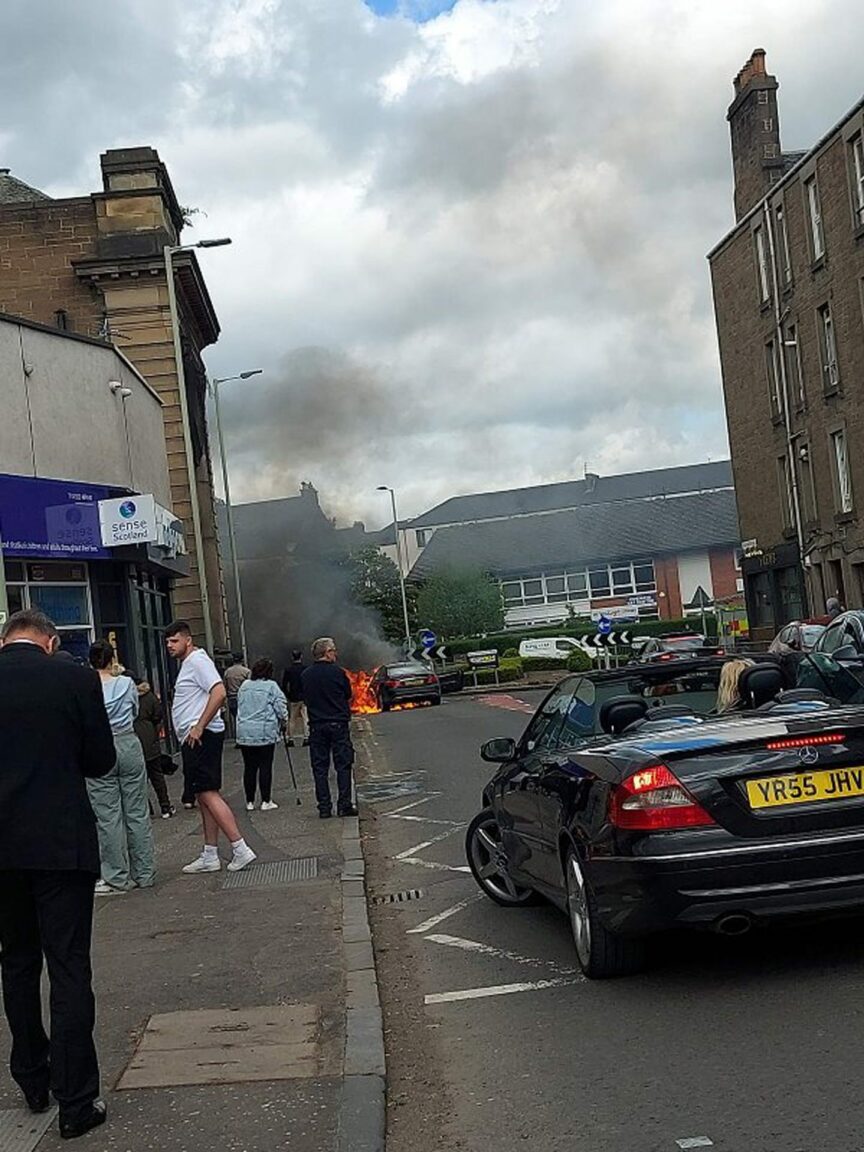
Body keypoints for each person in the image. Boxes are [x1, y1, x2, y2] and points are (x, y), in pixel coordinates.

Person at [0, 609, 115, 1139]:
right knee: (68, 966)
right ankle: (76, 1101)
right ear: (49, 641)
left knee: (17, 963)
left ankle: (31, 1077)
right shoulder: (73, 675)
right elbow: (99, 761)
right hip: (61, 844)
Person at [166, 621, 257, 874]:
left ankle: (240, 848)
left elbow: (218, 693)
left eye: (174, 641)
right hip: (198, 737)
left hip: (200, 737)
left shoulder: (197, 661)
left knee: (207, 793)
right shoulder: (192, 663)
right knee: (203, 793)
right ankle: (210, 854)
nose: (170, 646)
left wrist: (198, 726)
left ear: (188, 640)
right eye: (167, 643)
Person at [87, 641, 156, 895]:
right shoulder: (127, 684)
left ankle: (117, 877)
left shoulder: (88, 686)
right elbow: (135, 710)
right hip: (128, 743)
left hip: (101, 746)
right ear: (111, 659)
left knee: (108, 816)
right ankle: (145, 872)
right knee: (137, 811)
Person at [302, 637, 358, 819]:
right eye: (333, 650)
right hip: (338, 724)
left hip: (317, 726)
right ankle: (344, 805)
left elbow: (305, 697)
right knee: (343, 765)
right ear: (327, 653)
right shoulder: (337, 673)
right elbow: (348, 694)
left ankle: (324, 807)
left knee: (319, 768)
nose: (336, 653)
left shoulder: (306, 675)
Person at [236, 658, 289, 811]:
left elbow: (240, 705)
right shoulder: (271, 686)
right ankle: (266, 801)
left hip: (245, 732)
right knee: (265, 766)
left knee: (249, 767)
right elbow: (280, 706)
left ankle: (249, 802)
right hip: (264, 732)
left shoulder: (244, 686)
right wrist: (284, 720)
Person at [130, 672, 174, 819]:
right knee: (157, 775)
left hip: (132, 738)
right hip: (149, 738)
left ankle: (147, 808)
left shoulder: (126, 697)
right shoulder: (149, 697)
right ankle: (165, 807)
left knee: (138, 779)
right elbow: (158, 715)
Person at [282, 648, 310, 746]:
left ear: (292, 657)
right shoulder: (305, 669)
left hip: (294, 697)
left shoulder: (289, 670)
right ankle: (306, 738)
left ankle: (290, 739)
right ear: (301, 657)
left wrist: (288, 695)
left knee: (292, 719)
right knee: (305, 718)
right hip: (304, 697)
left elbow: (284, 685)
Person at [223, 652, 250, 736]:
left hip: (231, 698)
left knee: (236, 718)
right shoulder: (246, 671)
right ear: (242, 660)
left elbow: (224, 685)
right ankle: (245, 735)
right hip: (244, 698)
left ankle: (238, 736)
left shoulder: (227, 672)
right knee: (245, 718)